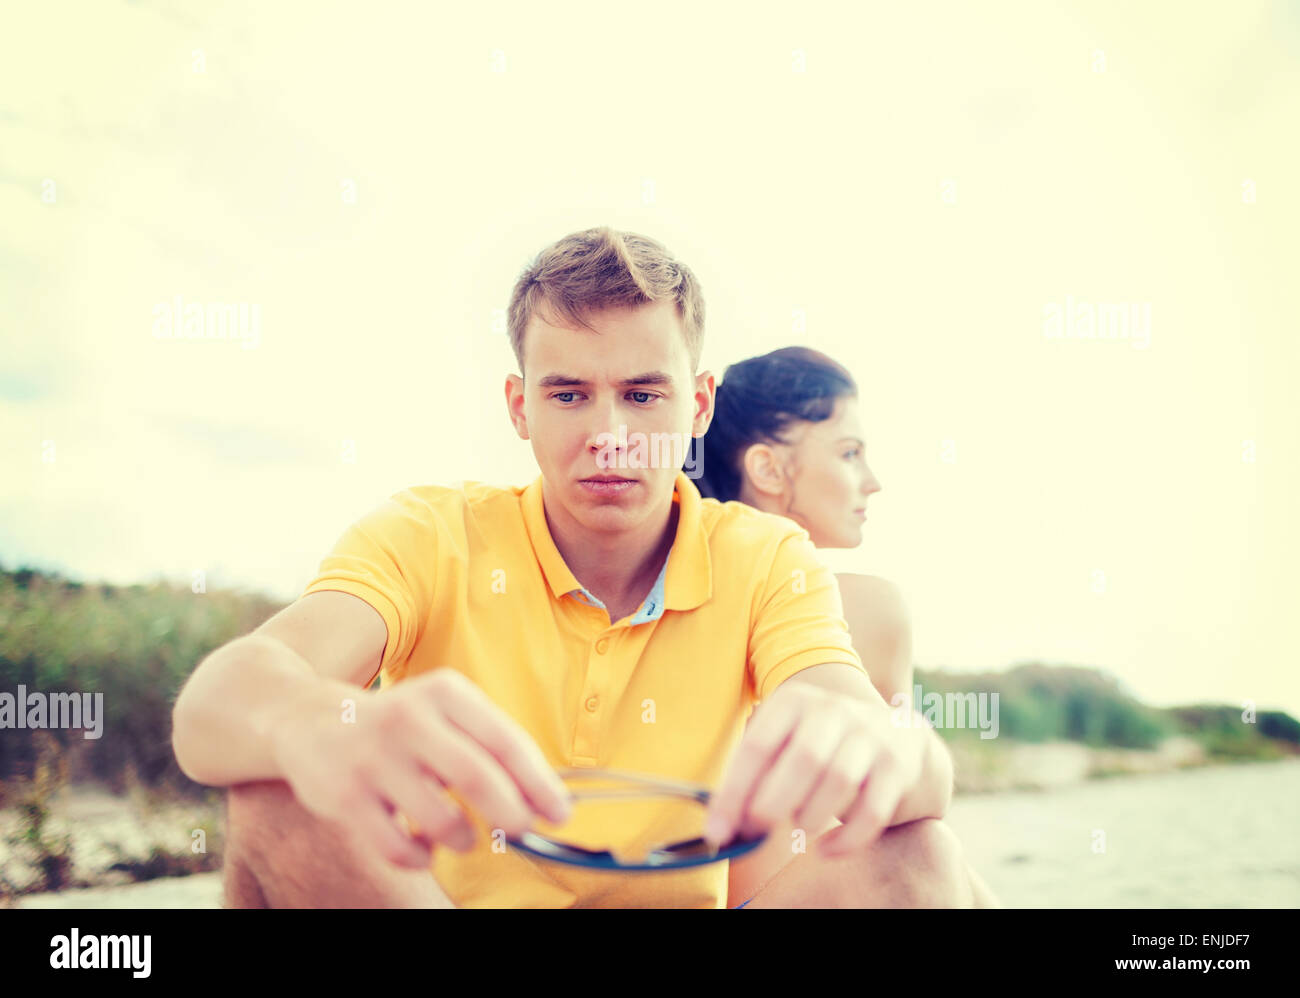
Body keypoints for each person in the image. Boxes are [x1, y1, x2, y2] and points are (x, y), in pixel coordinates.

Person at [171, 227, 987, 908]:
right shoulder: (428, 532)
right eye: (568, 395)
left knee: (916, 857)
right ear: (520, 405)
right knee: (275, 794)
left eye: (642, 395)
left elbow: (887, 751)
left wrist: (889, 745)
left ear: (697, 405)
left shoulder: (767, 555)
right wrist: (317, 722)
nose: (611, 436)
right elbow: (217, 705)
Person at [689, 346, 1002, 906]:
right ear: (766, 468)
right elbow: (913, 835)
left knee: (927, 851)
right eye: (850, 453)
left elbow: (912, 825)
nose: (872, 481)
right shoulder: (870, 609)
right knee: (923, 852)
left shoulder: (661, 588)